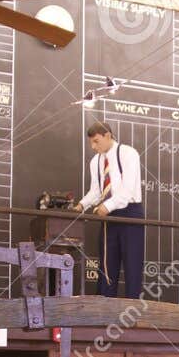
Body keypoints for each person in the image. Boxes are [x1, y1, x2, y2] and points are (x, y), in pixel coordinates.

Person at [73, 122, 145, 299]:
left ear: (108, 135)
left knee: (132, 264)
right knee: (107, 265)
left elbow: (127, 191)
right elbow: (96, 191)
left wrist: (107, 206)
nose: (93, 146)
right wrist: (81, 206)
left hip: (130, 213)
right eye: (91, 142)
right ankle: (105, 308)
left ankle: (132, 309)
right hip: (108, 217)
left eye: (96, 141)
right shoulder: (95, 161)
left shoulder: (128, 154)